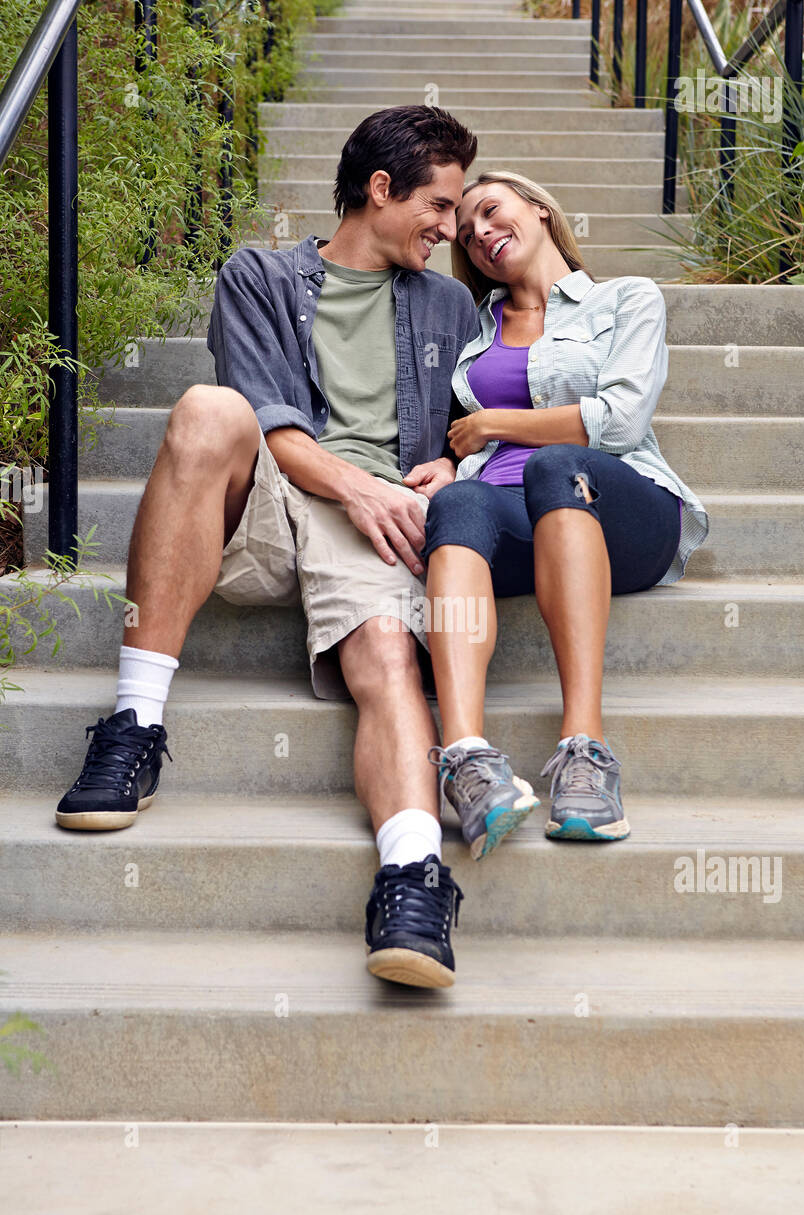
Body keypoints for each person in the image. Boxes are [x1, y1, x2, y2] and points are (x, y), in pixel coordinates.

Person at [55, 106, 483, 991]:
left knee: (389, 663)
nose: (452, 228)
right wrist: (357, 483)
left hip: (376, 519)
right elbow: (268, 414)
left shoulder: (447, 301)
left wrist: (445, 460)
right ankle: (134, 724)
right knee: (210, 410)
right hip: (272, 500)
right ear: (379, 190)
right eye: (439, 207)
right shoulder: (260, 275)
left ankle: (411, 878)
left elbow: (476, 423)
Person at [422, 171, 709, 857]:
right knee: (459, 501)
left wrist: (496, 422)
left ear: (541, 209)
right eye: (466, 233)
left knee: (557, 464)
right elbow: (458, 437)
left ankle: (586, 752)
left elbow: (619, 420)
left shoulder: (625, 300)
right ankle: (468, 760)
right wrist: (444, 460)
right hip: (519, 527)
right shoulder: (470, 324)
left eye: (491, 211)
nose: (482, 233)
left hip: (621, 512)